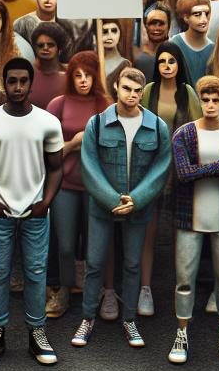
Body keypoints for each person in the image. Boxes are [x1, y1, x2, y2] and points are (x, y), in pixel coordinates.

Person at [0, 57, 63, 366]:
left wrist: (45, 202)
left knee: (36, 273)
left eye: (24, 81)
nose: (18, 87)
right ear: (5, 83)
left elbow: (56, 167)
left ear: (31, 83)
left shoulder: (48, 122)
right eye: (13, 81)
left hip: (36, 212)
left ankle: (37, 333)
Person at [71, 67, 172, 349]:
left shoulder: (156, 126)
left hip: (138, 207)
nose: (132, 95)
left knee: (132, 263)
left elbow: (161, 168)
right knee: (94, 262)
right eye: (127, 88)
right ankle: (87, 317)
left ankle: (129, 319)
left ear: (142, 93)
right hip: (104, 206)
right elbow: (89, 166)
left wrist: (136, 199)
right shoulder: (98, 123)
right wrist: (114, 200)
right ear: (117, 87)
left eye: (137, 91)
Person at [168, 75, 219, 364]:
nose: (211, 104)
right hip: (189, 216)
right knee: (183, 280)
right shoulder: (184, 134)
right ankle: (182, 332)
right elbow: (183, 174)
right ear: (199, 100)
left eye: (216, 99)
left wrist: (203, 169)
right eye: (206, 99)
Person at [43, 52, 111, 320]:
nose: (83, 81)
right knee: (66, 244)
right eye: (77, 75)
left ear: (96, 76)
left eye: (88, 75)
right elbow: (47, 153)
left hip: (96, 185)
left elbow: (111, 151)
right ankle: (62, 289)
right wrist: (73, 143)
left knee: (93, 243)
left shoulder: (105, 105)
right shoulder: (58, 105)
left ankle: (91, 292)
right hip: (65, 184)